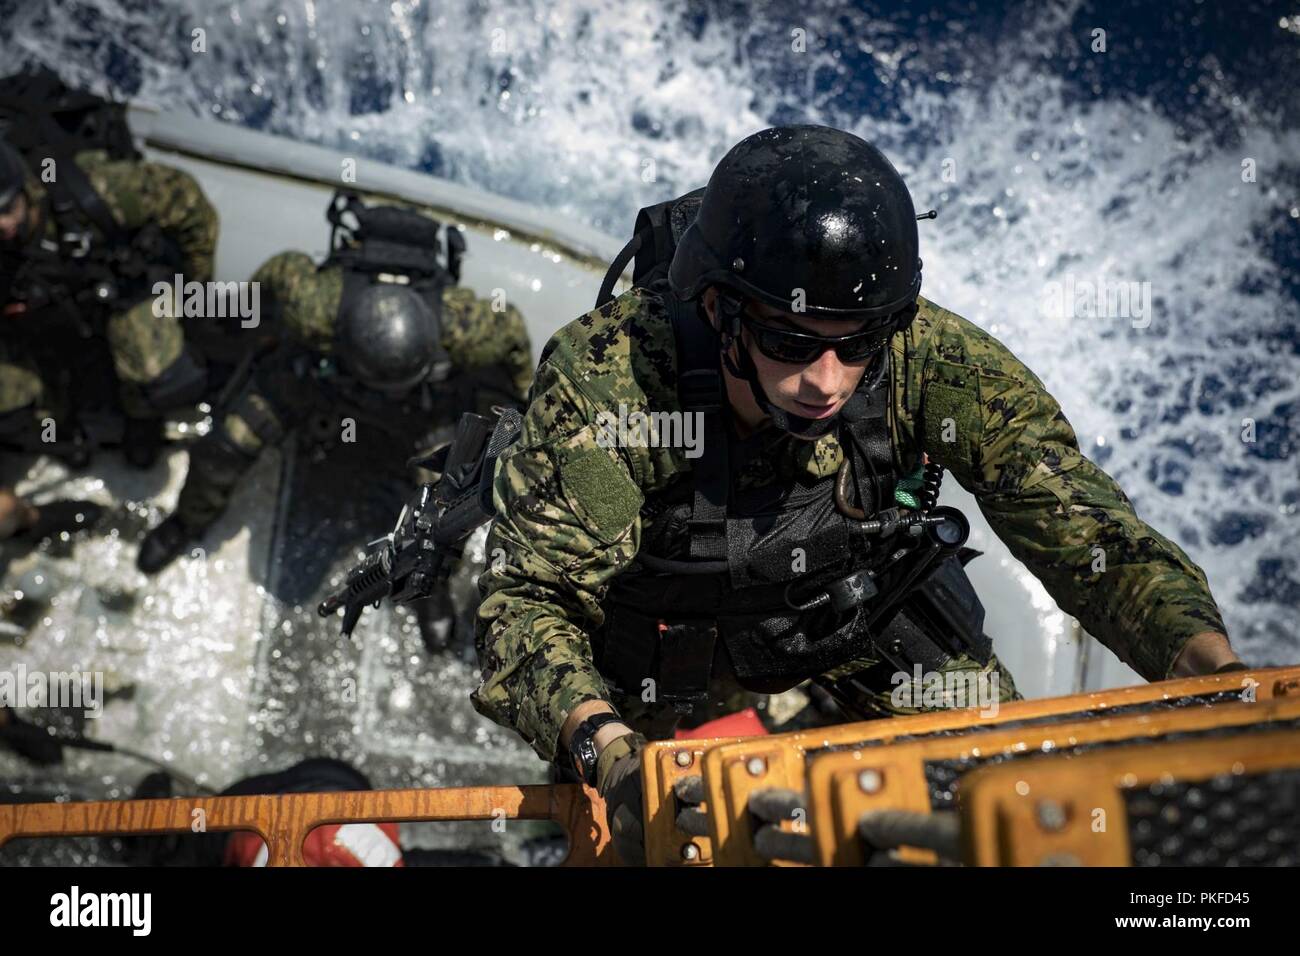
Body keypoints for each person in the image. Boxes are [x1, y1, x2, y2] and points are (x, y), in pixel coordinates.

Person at [471, 125, 1240, 864]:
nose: (827, 382)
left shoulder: (930, 358)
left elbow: (1086, 532)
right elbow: (528, 601)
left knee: (1008, 799)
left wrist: (1208, 671)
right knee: (630, 836)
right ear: (719, 310)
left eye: (858, 345)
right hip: (658, 655)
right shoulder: (615, 383)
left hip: (857, 621)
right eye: (790, 343)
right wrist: (606, 751)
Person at [136, 192, 534, 594]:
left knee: (450, 501)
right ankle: (187, 522)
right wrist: (238, 323)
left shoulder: (463, 326)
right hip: (318, 381)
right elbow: (280, 272)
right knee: (224, 447)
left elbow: (513, 330)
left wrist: (523, 403)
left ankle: (430, 581)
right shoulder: (314, 306)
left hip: (417, 406)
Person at [0, 108, 217, 469]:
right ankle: (57, 422)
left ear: (25, 190)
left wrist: (196, 291)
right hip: (40, 327)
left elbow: (187, 200)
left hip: (116, 298)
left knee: (154, 369)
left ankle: (141, 420)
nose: (1, 225)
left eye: (7, 208)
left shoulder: (94, 193)